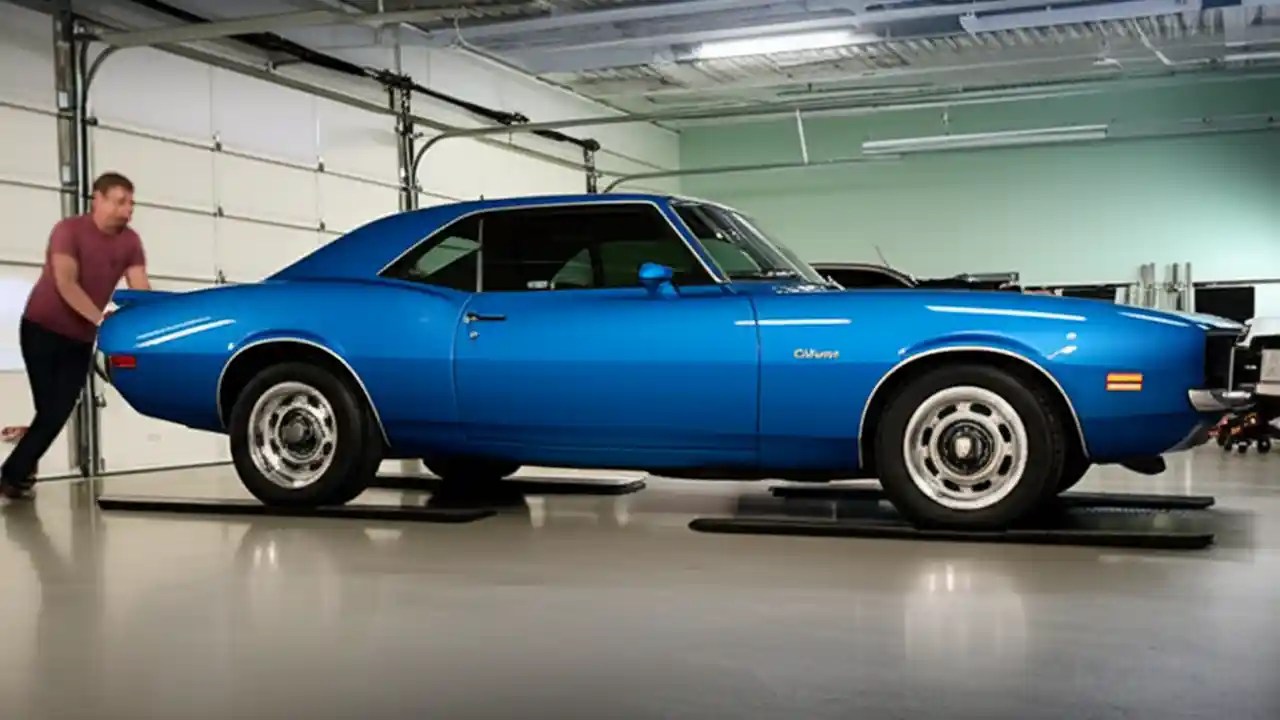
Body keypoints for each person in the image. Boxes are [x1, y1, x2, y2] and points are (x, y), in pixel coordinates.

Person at [0, 172, 150, 499]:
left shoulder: (131, 242)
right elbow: (65, 282)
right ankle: (17, 474)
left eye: (131, 203)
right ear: (98, 199)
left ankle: (13, 474)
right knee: (51, 412)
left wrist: (150, 323)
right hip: (40, 329)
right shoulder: (68, 231)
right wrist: (100, 317)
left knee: (57, 410)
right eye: (120, 201)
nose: (128, 209)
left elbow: (141, 288)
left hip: (79, 341)